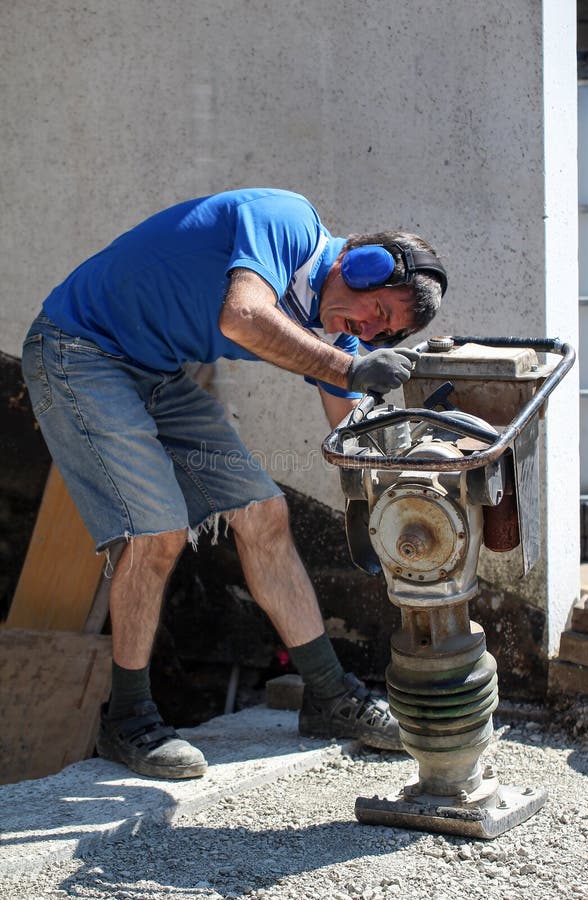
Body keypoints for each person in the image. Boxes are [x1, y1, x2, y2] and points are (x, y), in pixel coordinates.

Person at [21, 188, 446, 780]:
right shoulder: (286, 221)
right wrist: (348, 367)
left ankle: (328, 693)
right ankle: (128, 717)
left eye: (384, 332)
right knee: (158, 532)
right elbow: (242, 316)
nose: (369, 329)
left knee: (265, 513)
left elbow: (350, 431)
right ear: (364, 262)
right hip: (78, 351)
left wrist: (405, 495)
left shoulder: (336, 336)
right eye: (380, 310)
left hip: (155, 373)